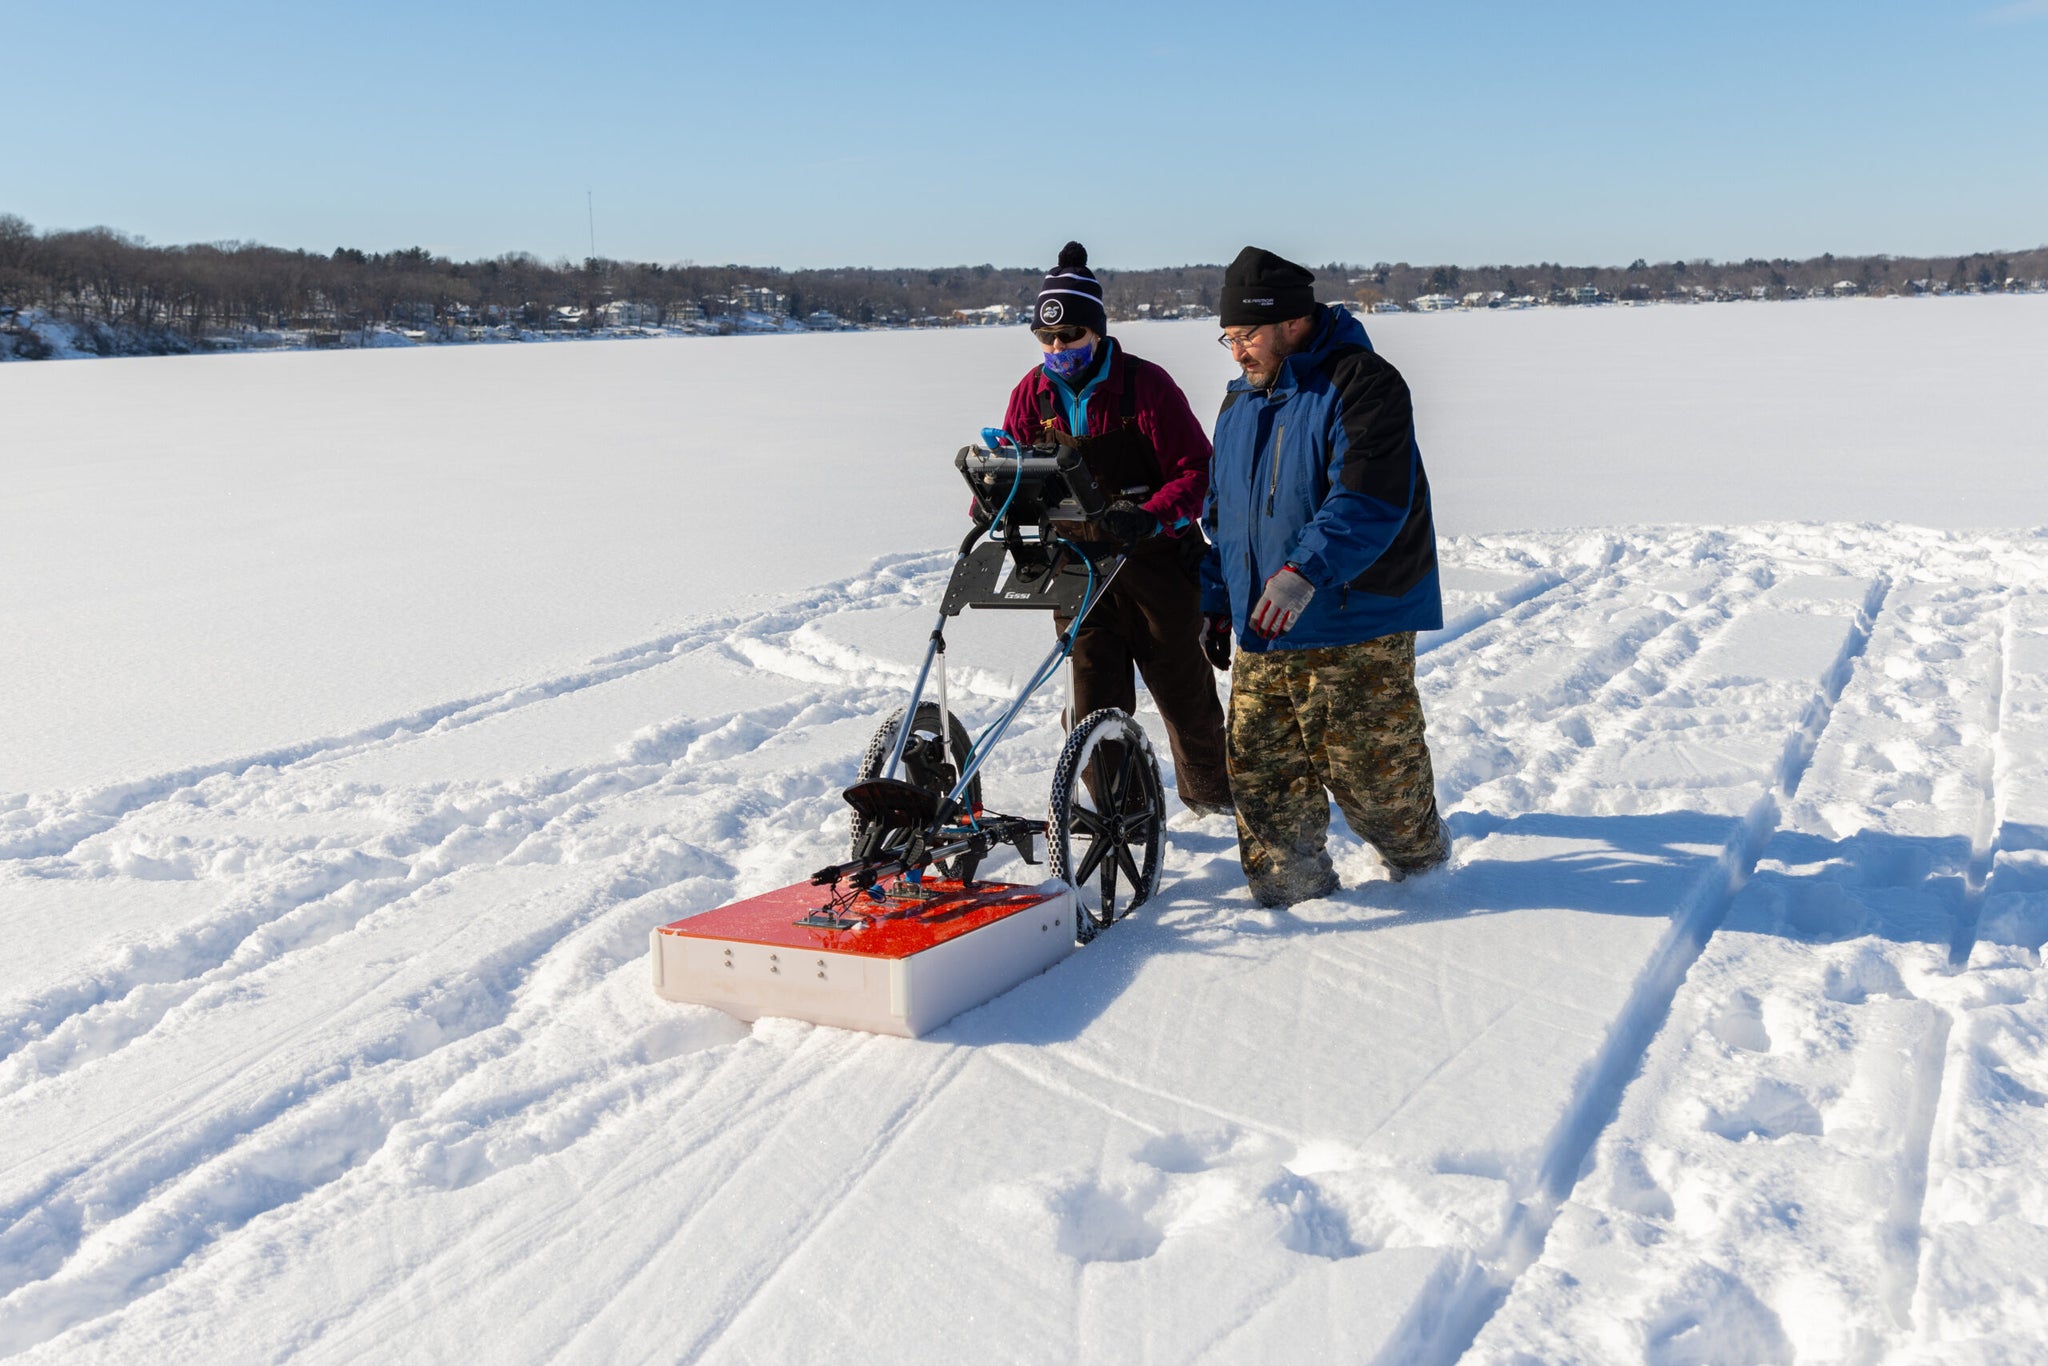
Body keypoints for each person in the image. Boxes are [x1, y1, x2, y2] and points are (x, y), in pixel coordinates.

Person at [1198, 245, 1450, 905]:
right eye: (1227, 338)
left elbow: (1368, 499)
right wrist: (1215, 597)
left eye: (1245, 335)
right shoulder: (1238, 404)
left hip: (1354, 620)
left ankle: (1432, 879)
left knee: (1378, 791)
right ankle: (1292, 902)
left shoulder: (1364, 383)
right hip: (1266, 627)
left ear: (1290, 322)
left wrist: (1301, 572)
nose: (1236, 353)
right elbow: (1223, 518)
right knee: (1262, 784)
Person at [999, 242, 1232, 817]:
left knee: (1185, 698)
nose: (1058, 349)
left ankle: (1214, 798)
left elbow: (1196, 470)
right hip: (1079, 570)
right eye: (1047, 340)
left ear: (1097, 333)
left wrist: (1154, 512)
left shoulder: (1146, 386)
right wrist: (994, 504)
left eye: (1070, 337)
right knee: (1092, 702)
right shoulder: (1032, 394)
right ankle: (1121, 818)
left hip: (1157, 564)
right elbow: (1012, 469)